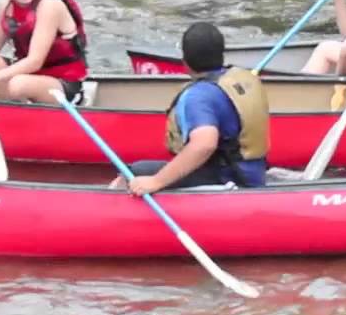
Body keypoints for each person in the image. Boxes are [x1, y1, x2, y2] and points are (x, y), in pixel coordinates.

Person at [112, 22, 270, 196]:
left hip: (229, 181)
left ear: (185, 62)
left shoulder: (198, 97)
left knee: (133, 172)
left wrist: (155, 182)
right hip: (252, 175)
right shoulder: (240, 77)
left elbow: (204, 145)